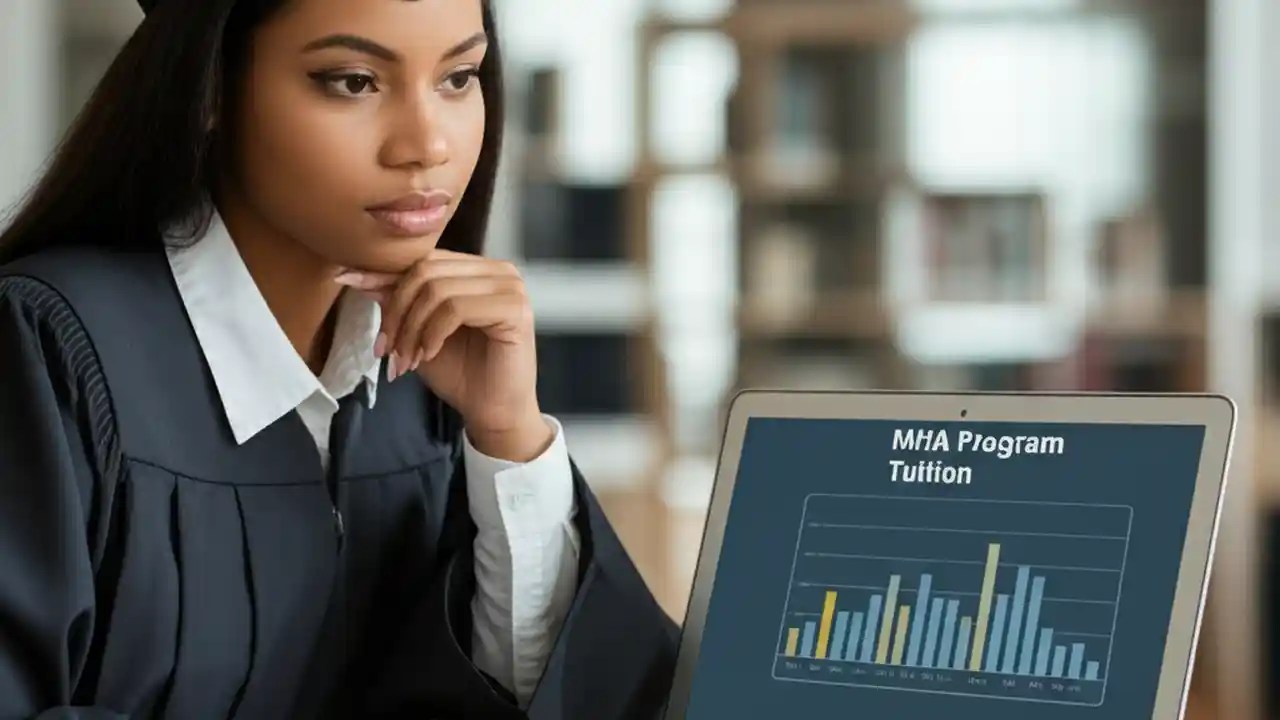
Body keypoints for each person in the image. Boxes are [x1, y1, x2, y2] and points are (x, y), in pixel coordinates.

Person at [0, 0, 678, 717]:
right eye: (354, 81)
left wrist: (509, 437)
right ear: (210, 92)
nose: (427, 145)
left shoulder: (423, 388)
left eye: (458, 77)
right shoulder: (49, 351)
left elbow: (561, 695)